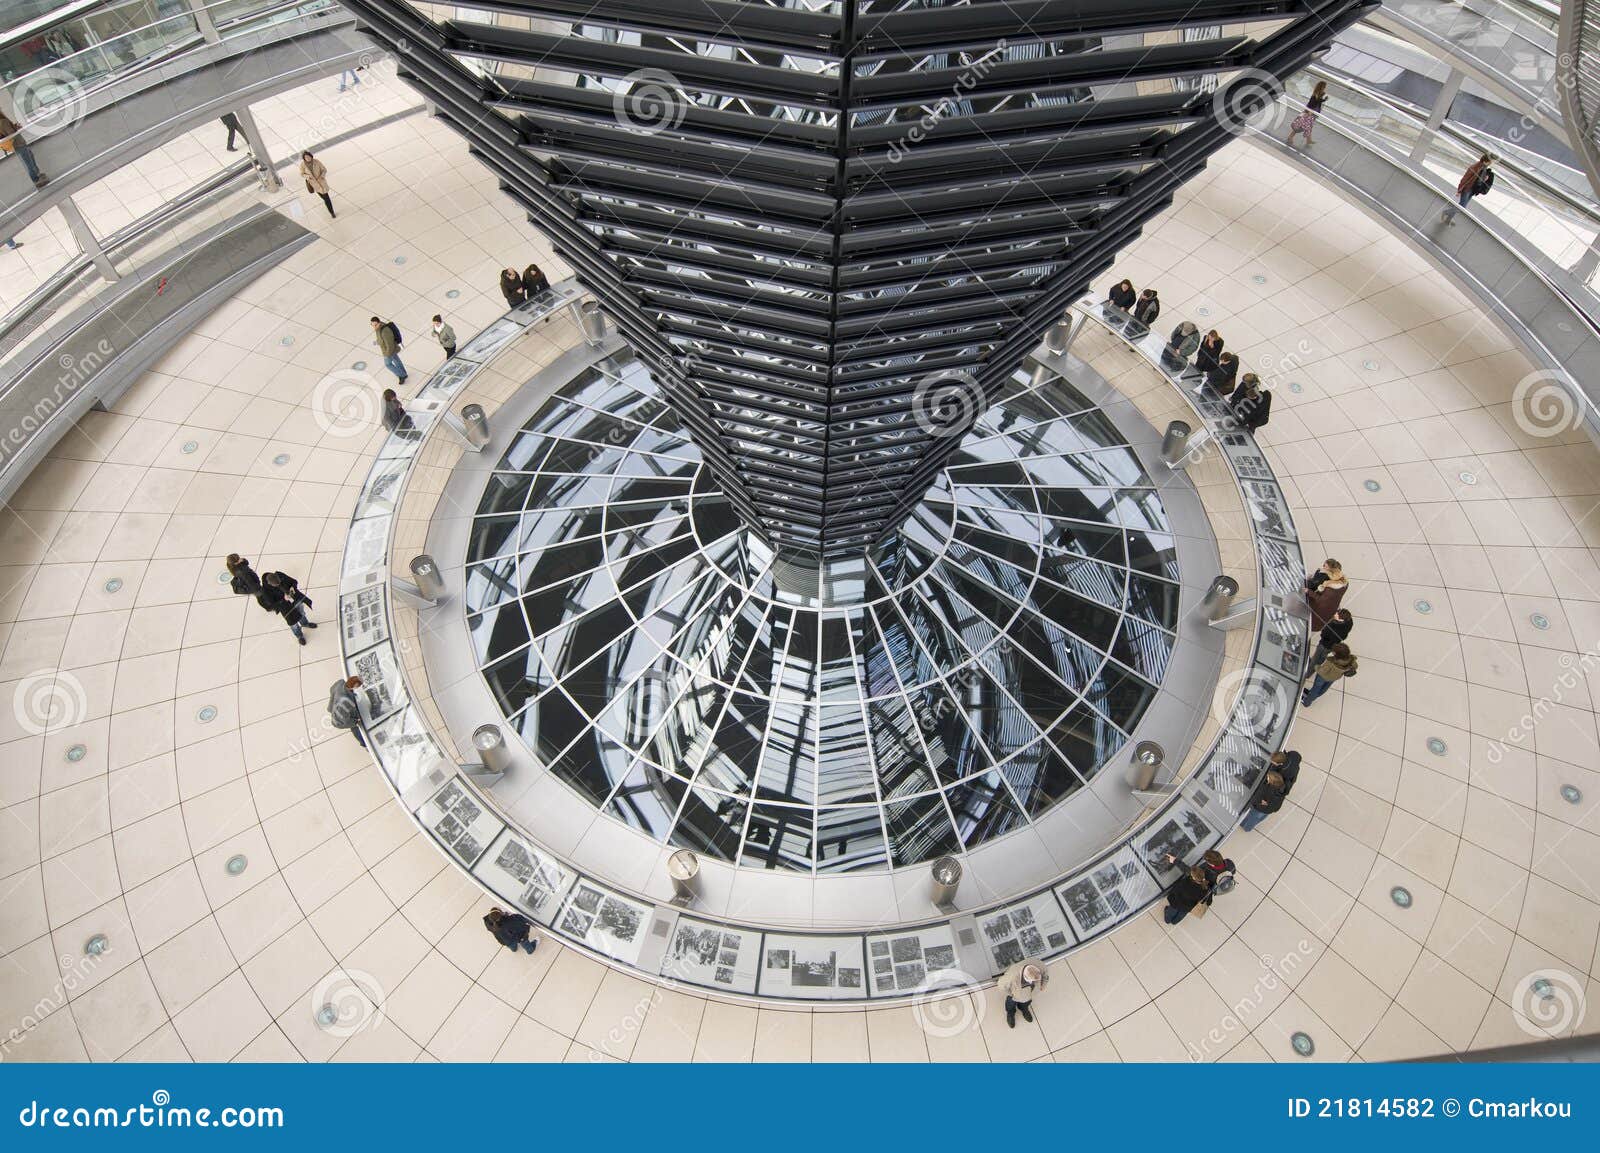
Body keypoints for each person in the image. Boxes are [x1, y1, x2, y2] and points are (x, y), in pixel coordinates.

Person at [259, 569, 317, 645]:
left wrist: (293, 587)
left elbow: (293, 581)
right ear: (269, 583)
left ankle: (305, 623)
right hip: (285, 608)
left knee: (301, 612)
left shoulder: (280, 575)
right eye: (276, 585)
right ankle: (299, 636)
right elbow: (272, 605)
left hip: (295, 599)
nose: (279, 585)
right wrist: (284, 599)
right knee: (293, 623)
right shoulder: (265, 591)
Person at [1441, 153, 1495, 224]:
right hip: (1467, 189)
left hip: (1472, 190)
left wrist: (1484, 179)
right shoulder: (1476, 167)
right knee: (1462, 206)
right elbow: (1465, 178)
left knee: (1461, 205)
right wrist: (1459, 190)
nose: (1490, 164)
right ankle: (1446, 212)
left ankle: (1448, 219)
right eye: (1489, 162)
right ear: (1485, 161)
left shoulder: (1483, 168)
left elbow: (1478, 179)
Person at [0, 109, 47, 187]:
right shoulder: (3, 122)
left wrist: (14, 127)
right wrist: (17, 128)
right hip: (19, 144)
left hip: (16, 146)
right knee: (29, 162)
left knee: (29, 158)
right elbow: (12, 134)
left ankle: (37, 176)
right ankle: (36, 180)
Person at [1302, 643, 1357, 707]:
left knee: (1316, 688)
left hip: (1322, 677)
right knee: (1324, 688)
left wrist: (1316, 666)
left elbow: (1321, 671)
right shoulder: (1351, 660)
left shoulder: (1330, 662)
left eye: (1333, 651)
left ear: (1336, 654)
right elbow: (1355, 666)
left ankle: (1307, 701)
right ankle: (1312, 695)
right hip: (1334, 677)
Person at [999, 958, 1047, 1029]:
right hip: (1014, 995)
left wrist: (1043, 985)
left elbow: (1045, 975)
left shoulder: (1039, 966)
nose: (1036, 981)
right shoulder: (1011, 976)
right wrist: (1011, 995)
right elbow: (1001, 985)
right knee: (1010, 1004)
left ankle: (1024, 1009)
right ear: (1026, 976)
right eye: (1033, 980)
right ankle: (1010, 1013)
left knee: (1026, 1002)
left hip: (1028, 995)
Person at [1304, 559, 1348, 630]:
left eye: (1325, 566)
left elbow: (1321, 600)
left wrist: (1309, 591)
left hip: (1313, 619)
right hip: (1319, 620)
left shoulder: (1331, 587)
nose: (1323, 568)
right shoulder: (1341, 585)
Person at [1309, 608, 1354, 675]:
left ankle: (1308, 672)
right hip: (1333, 644)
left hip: (1325, 646)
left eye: (1337, 614)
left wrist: (1332, 622)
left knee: (1317, 659)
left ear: (1340, 619)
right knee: (1318, 657)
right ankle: (1311, 665)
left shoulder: (1333, 626)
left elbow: (1323, 634)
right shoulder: (1349, 622)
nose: (1335, 614)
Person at [327, 675, 367, 747]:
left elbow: (332, 689)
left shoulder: (340, 682)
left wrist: (332, 705)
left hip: (338, 709)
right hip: (340, 721)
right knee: (356, 728)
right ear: (355, 686)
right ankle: (364, 743)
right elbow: (346, 720)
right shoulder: (345, 701)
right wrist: (356, 722)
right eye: (359, 685)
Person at [1286, 80, 1327, 146]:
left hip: (1313, 112)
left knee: (1307, 126)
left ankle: (1308, 140)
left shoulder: (1318, 94)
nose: (1324, 88)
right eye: (1324, 87)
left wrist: (1323, 99)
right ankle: (1291, 137)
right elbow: (1312, 103)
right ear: (1321, 87)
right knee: (1303, 126)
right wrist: (1308, 111)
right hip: (1310, 113)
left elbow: (1317, 102)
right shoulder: (1316, 95)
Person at [299, 150, 335, 218]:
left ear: (311, 156)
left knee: (326, 198)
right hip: (314, 184)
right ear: (304, 158)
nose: (308, 158)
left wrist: (322, 176)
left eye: (308, 156)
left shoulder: (316, 161)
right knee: (323, 196)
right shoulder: (302, 165)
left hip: (321, 182)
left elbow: (324, 169)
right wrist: (308, 176)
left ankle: (332, 212)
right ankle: (327, 204)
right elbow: (301, 174)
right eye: (306, 157)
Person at [371, 316, 406, 384]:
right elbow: (381, 339)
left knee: (388, 364)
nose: (374, 327)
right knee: (396, 360)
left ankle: (402, 375)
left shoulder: (385, 331)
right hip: (389, 350)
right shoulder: (378, 329)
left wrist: (387, 354)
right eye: (372, 325)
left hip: (389, 350)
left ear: (379, 323)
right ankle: (403, 373)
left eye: (375, 325)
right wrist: (377, 342)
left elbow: (389, 344)